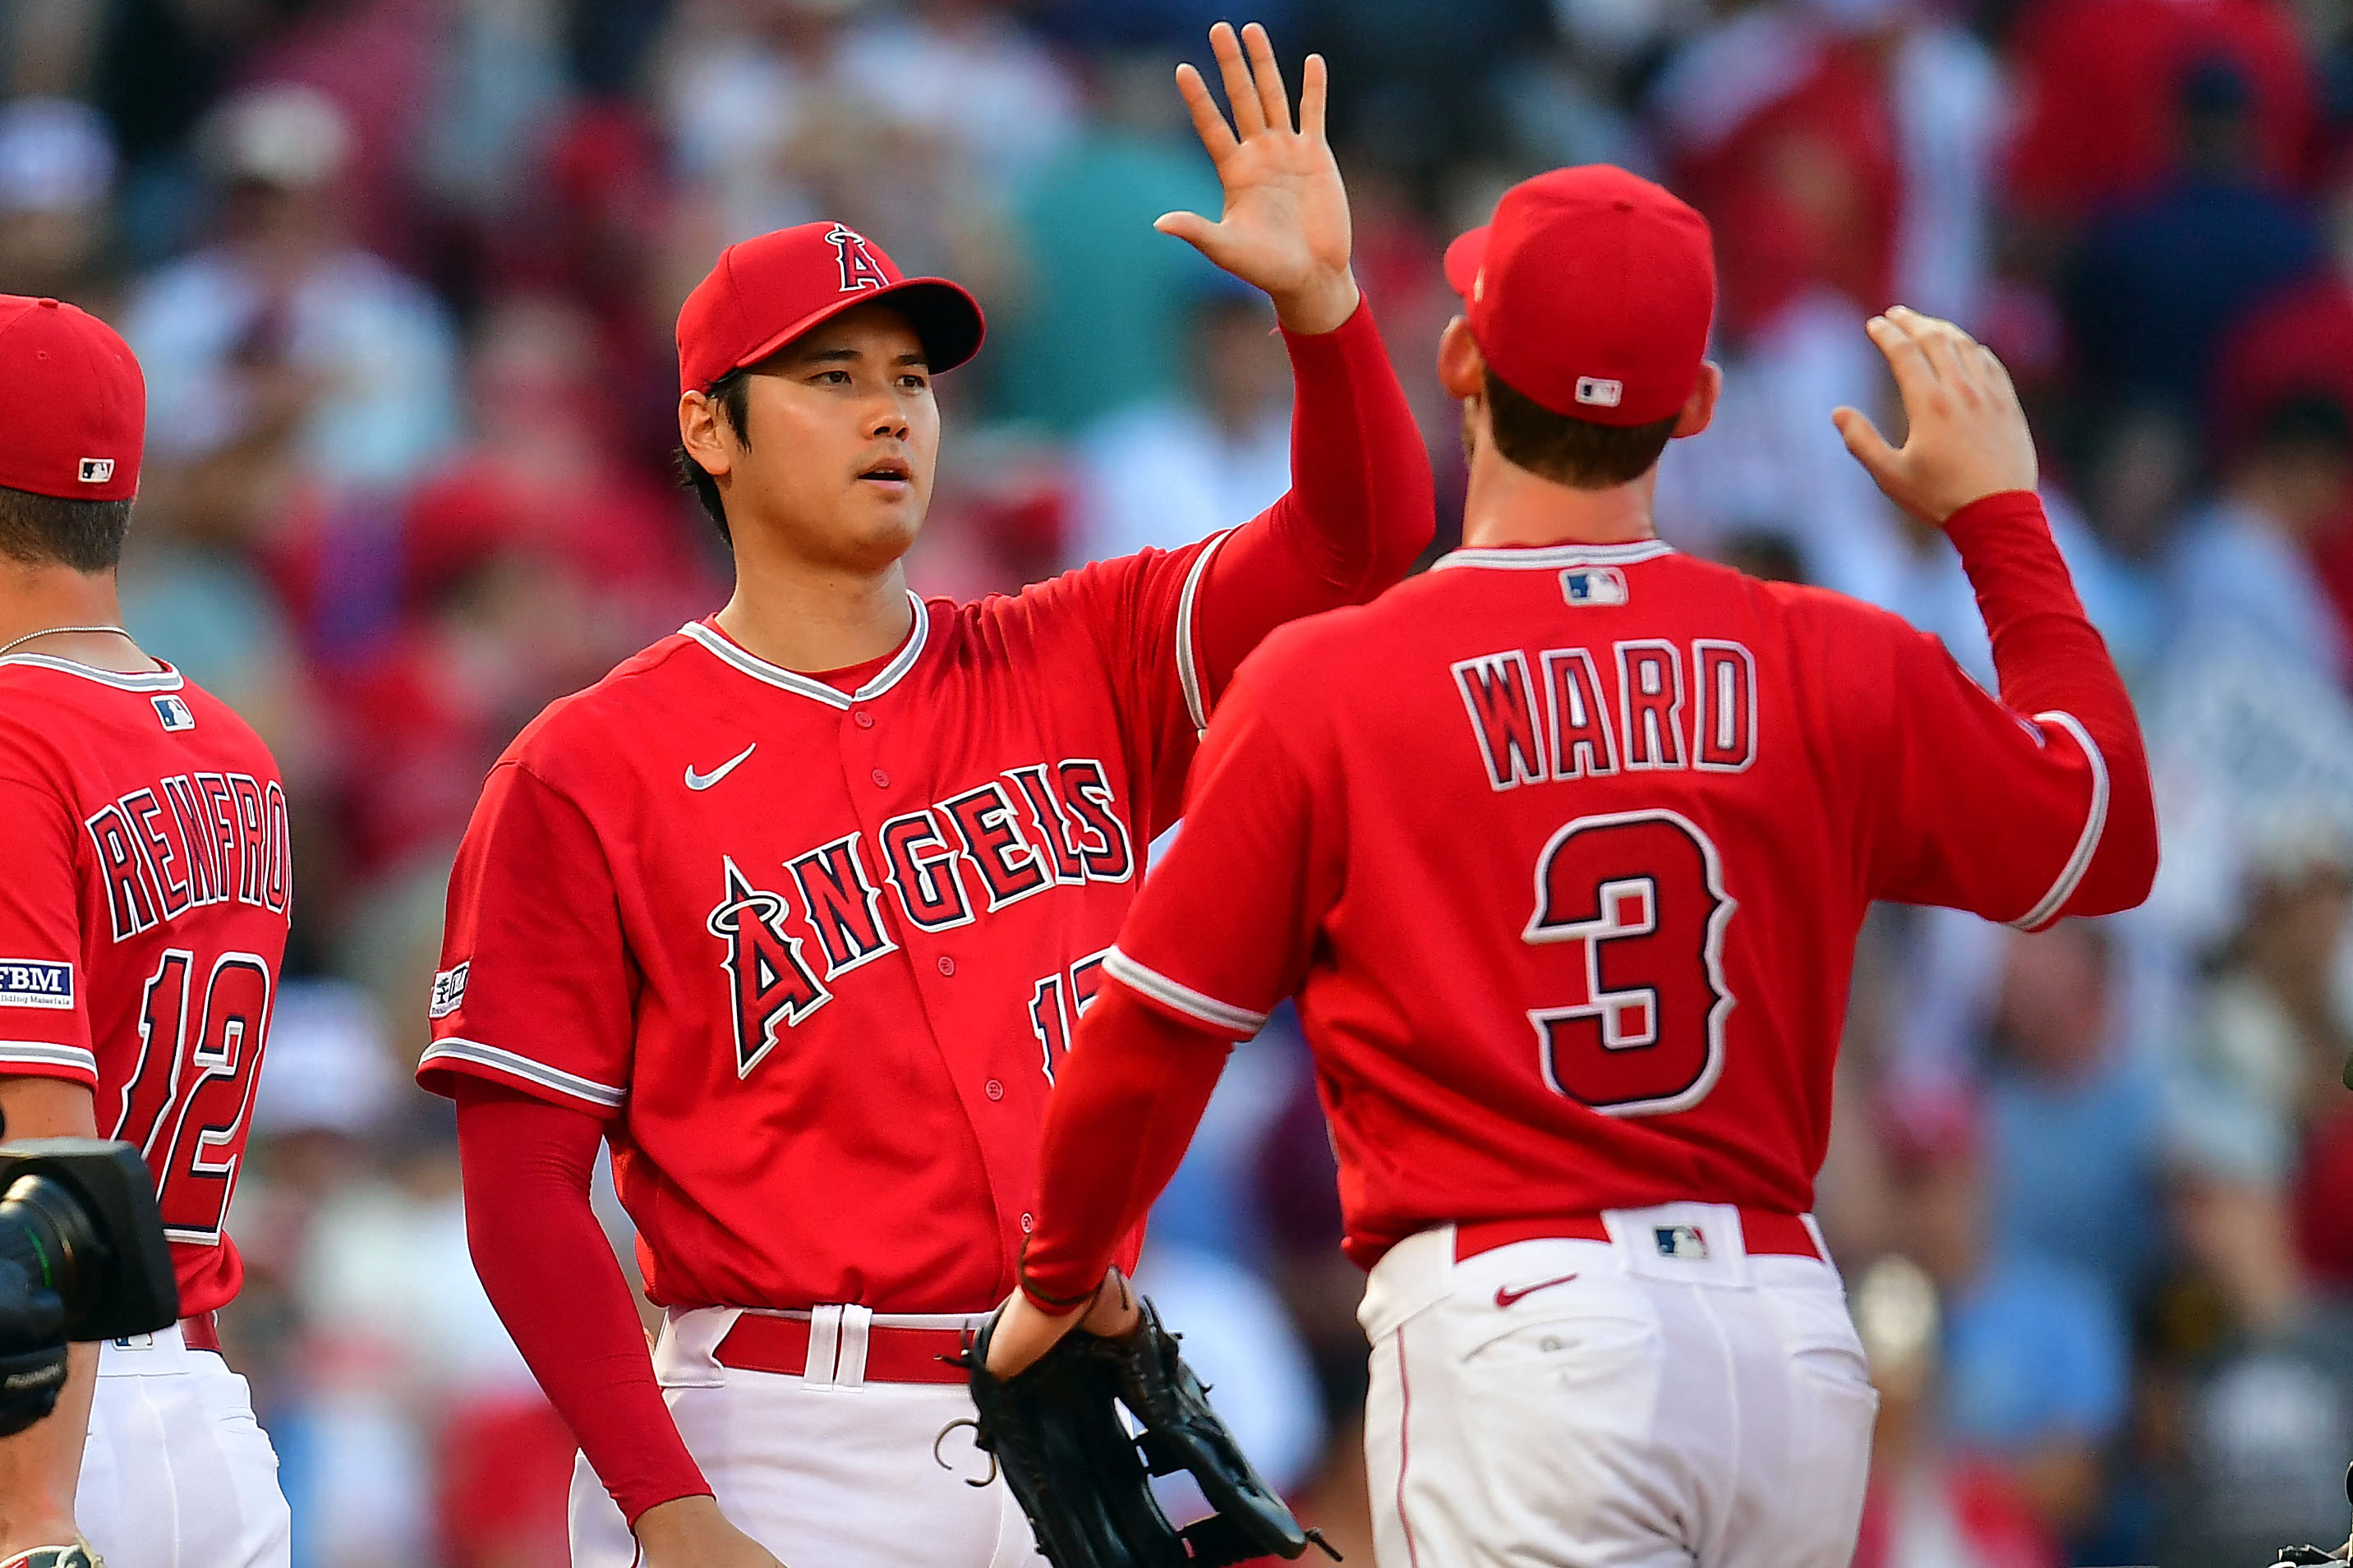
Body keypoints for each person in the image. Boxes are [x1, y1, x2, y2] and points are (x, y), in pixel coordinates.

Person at [988, 165, 2162, 1568]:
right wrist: (1999, 518)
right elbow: (2102, 840)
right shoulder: (1833, 656)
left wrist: (1057, 1278)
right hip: (1786, 1341)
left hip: (1522, 1332)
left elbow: (1151, 1036)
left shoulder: (1331, 683)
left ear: (1461, 359)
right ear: (1697, 403)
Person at [413, 23, 1432, 1568]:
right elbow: (523, 1189)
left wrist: (1323, 310)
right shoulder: (586, 766)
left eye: (910, 379)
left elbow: (1358, 546)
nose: (892, 411)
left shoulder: (1076, 652)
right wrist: (666, 1503)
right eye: (832, 378)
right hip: (779, 1429)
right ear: (708, 425)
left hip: (1073, 1413)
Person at [0, 292, 293, 1564]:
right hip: (200, 1410)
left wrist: (33, 1510)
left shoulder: (13, 734)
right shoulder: (234, 746)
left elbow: (48, 1145)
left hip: (34, 1416)